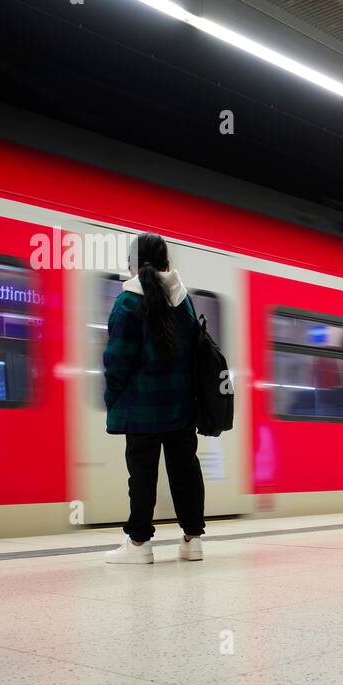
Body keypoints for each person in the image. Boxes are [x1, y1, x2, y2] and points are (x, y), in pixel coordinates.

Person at [103, 232, 206, 563]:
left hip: (141, 408)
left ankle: (139, 545)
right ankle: (192, 541)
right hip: (180, 407)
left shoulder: (128, 302)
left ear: (133, 264)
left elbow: (116, 360)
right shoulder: (183, 299)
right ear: (167, 262)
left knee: (143, 474)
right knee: (185, 470)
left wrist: (113, 397)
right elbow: (195, 353)